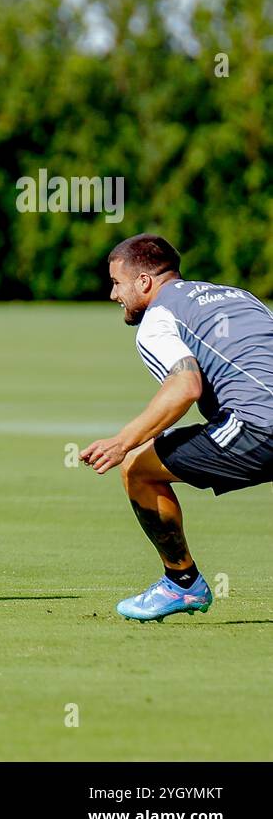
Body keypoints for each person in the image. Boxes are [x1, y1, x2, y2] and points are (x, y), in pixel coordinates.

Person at [81, 233, 273, 621]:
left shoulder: (157, 319)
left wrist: (123, 441)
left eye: (117, 283)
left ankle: (182, 583)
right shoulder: (240, 296)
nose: (114, 295)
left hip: (258, 427)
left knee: (137, 466)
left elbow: (185, 387)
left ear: (144, 282)